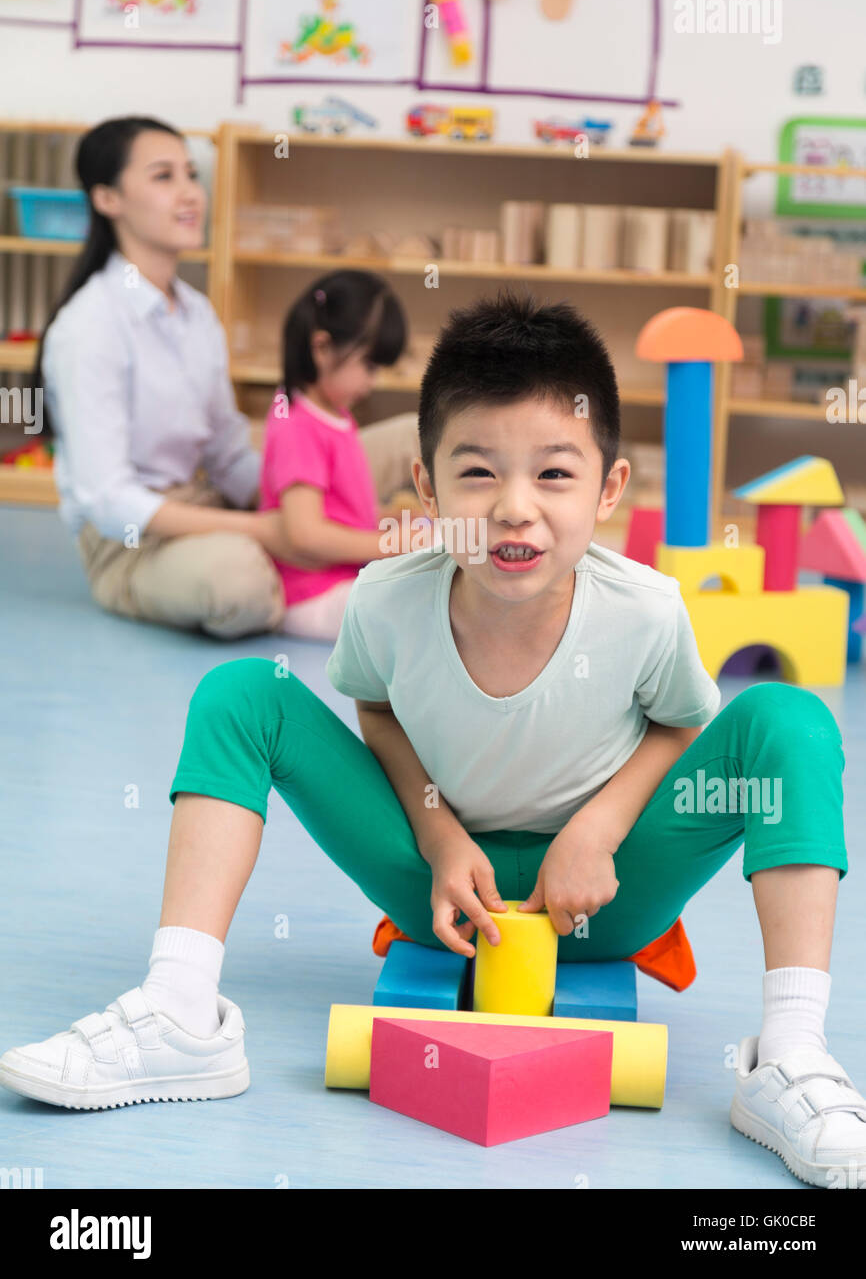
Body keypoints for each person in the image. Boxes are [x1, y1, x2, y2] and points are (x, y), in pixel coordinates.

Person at [4, 292, 863, 1190]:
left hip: (603, 899)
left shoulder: (646, 609)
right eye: (479, 473)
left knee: (789, 719)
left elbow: (682, 722)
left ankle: (790, 1055)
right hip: (440, 894)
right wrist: (438, 833)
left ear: (610, 488)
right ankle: (181, 1012)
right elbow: (374, 712)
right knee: (245, 691)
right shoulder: (387, 597)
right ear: (427, 486)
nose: (515, 510)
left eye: (556, 476)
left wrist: (597, 831)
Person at [36, 115, 419, 638]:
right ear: (107, 199)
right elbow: (109, 501)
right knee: (240, 582)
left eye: (191, 174)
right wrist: (268, 529)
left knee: (415, 435)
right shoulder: (88, 327)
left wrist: (294, 503)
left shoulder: (196, 314)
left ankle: (479, 550)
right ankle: (321, 586)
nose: (191, 192)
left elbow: (227, 452)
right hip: (135, 543)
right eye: (163, 176)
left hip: (218, 502)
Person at [261, 270, 425, 642]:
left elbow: (341, 512)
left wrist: (393, 521)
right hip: (309, 595)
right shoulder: (297, 424)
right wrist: (390, 544)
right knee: (424, 609)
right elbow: (304, 535)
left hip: (342, 581)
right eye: (369, 366)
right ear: (321, 348)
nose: (373, 381)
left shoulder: (335, 415)